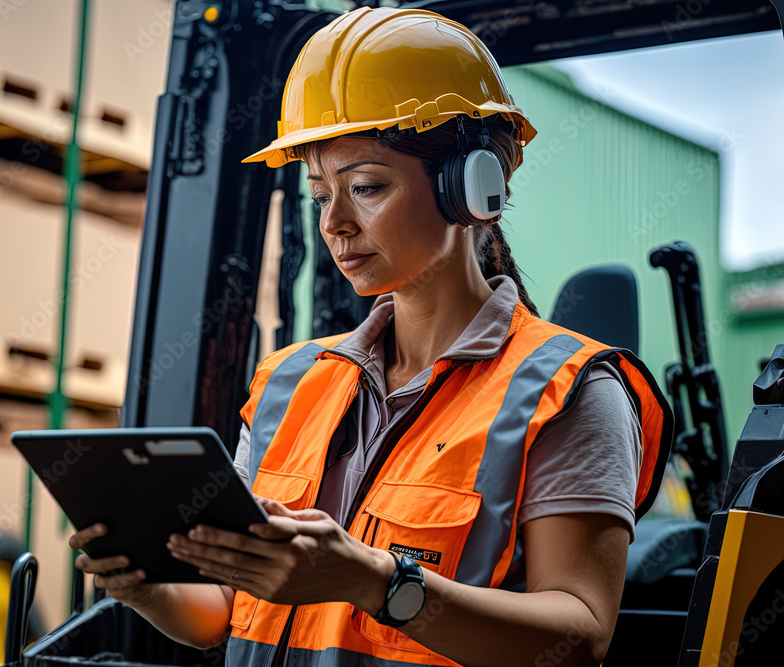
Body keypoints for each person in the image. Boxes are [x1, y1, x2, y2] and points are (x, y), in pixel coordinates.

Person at [69, 7, 672, 667]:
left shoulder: (566, 392)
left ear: (471, 188)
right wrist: (148, 586)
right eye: (319, 195)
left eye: (365, 187)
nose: (336, 223)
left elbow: (579, 637)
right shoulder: (286, 385)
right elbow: (224, 610)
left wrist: (375, 583)